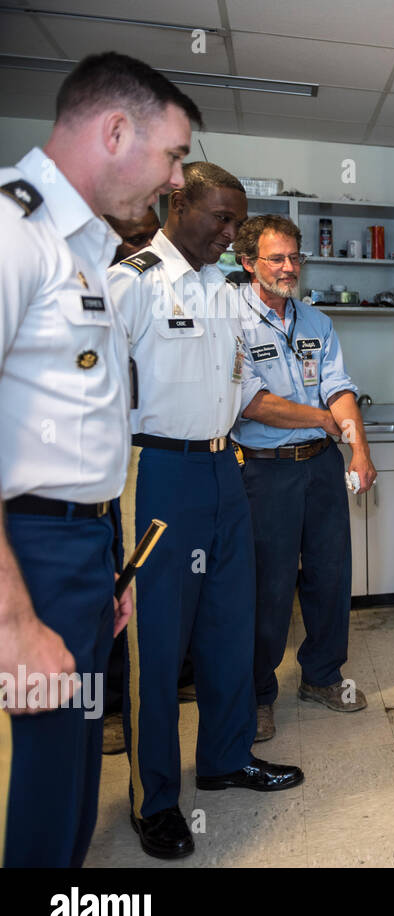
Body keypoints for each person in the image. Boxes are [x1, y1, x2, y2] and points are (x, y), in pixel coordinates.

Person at [0, 51, 197, 867]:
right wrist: (13, 621)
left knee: (79, 765)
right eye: (174, 154)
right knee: (49, 777)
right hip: (33, 553)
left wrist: (105, 566)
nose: (177, 181)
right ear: (116, 130)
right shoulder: (16, 231)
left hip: (83, 546)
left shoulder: (87, 246)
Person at [108, 162, 304, 859]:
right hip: (159, 471)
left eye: (236, 220)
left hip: (227, 468)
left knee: (231, 625)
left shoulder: (225, 294)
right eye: (220, 218)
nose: (231, 233)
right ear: (176, 201)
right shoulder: (129, 282)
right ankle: (154, 798)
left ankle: (224, 758)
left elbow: (244, 386)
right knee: (157, 645)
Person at [232, 214, 375, 742]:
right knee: (268, 587)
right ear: (249, 263)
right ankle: (259, 693)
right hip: (265, 473)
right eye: (277, 258)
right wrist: (324, 418)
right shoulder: (232, 320)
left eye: (295, 257)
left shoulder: (317, 322)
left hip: (321, 466)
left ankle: (321, 676)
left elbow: (338, 386)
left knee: (331, 576)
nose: (289, 267)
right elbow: (251, 403)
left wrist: (357, 445)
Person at [101, 205, 165, 757]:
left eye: (151, 235)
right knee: (123, 587)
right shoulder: (114, 291)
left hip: (167, 463)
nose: (144, 245)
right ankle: (113, 709)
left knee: (160, 589)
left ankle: (165, 684)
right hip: (119, 467)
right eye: (134, 237)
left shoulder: (182, 289)